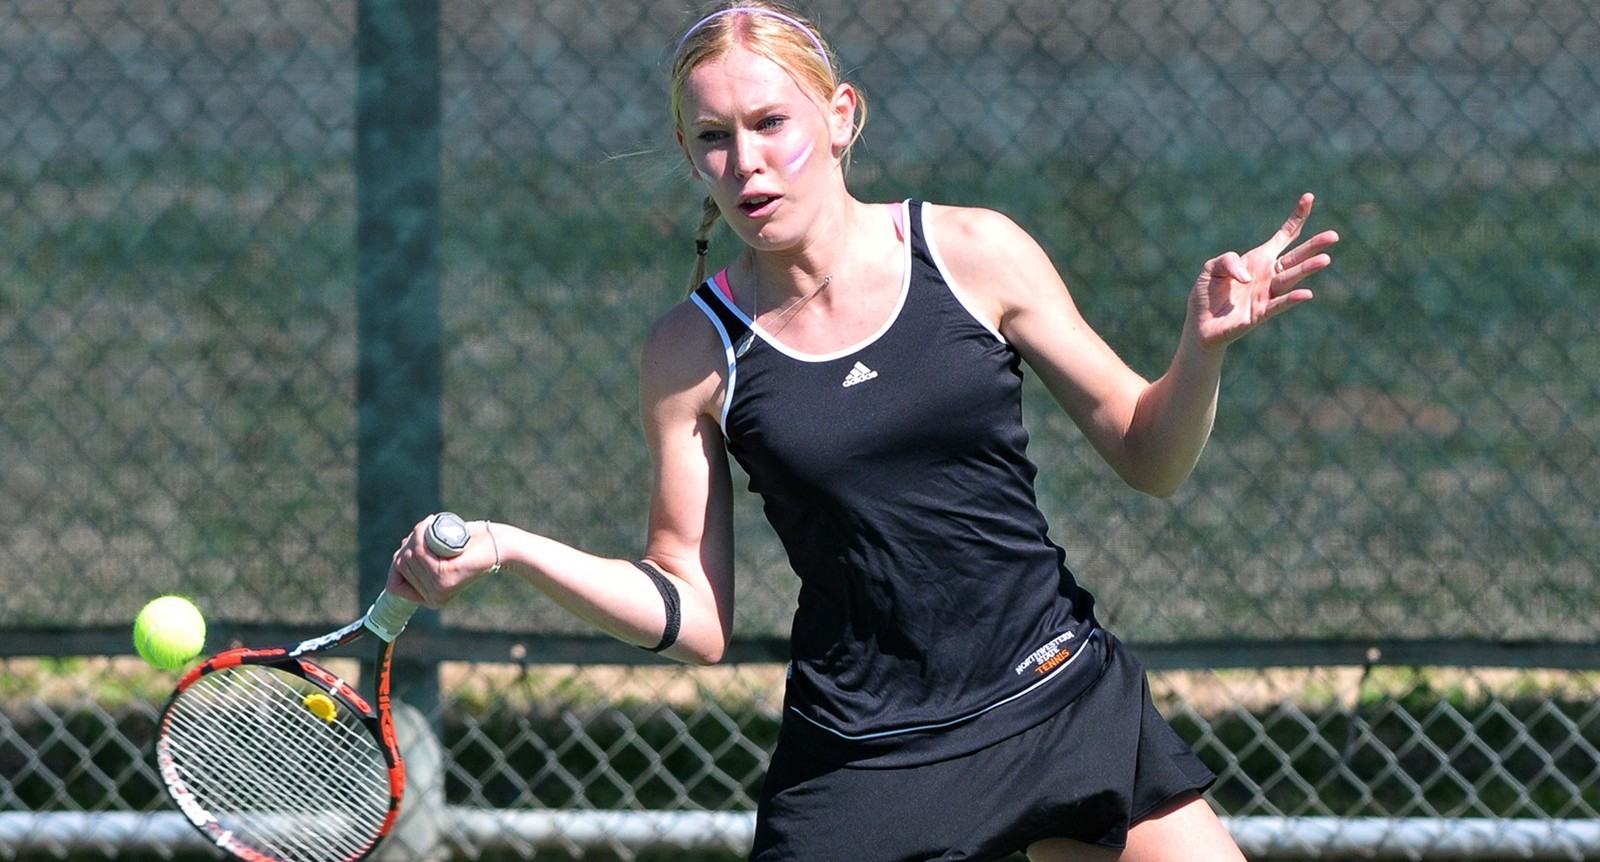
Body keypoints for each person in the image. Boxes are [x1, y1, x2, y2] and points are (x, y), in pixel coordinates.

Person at [387, 2, 1339, 859]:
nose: (746, 161)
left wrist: (1200, 350)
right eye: (714, 137)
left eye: (771, 124)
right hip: (871, 760)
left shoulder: (975, 253)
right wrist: (511, 548)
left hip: (1060, 699)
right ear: (689, 154)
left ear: (840, 116)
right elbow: (695, 614)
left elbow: (1149, 455)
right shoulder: (690, 353)